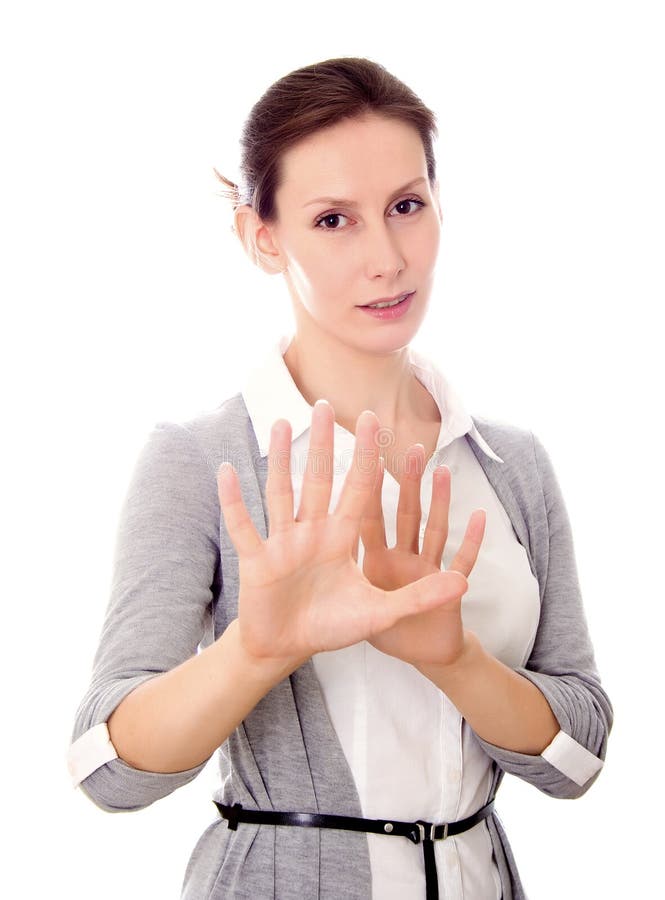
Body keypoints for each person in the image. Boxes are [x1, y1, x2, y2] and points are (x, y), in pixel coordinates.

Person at [68, 57, 612, 899]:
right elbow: (106, 769)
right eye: (332, 220)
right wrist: (256, 650)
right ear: (263, 238)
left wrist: (457, 660)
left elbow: (576, 762)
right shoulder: (199, 458)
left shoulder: (510, 465)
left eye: (406, 206)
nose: (386, 258)